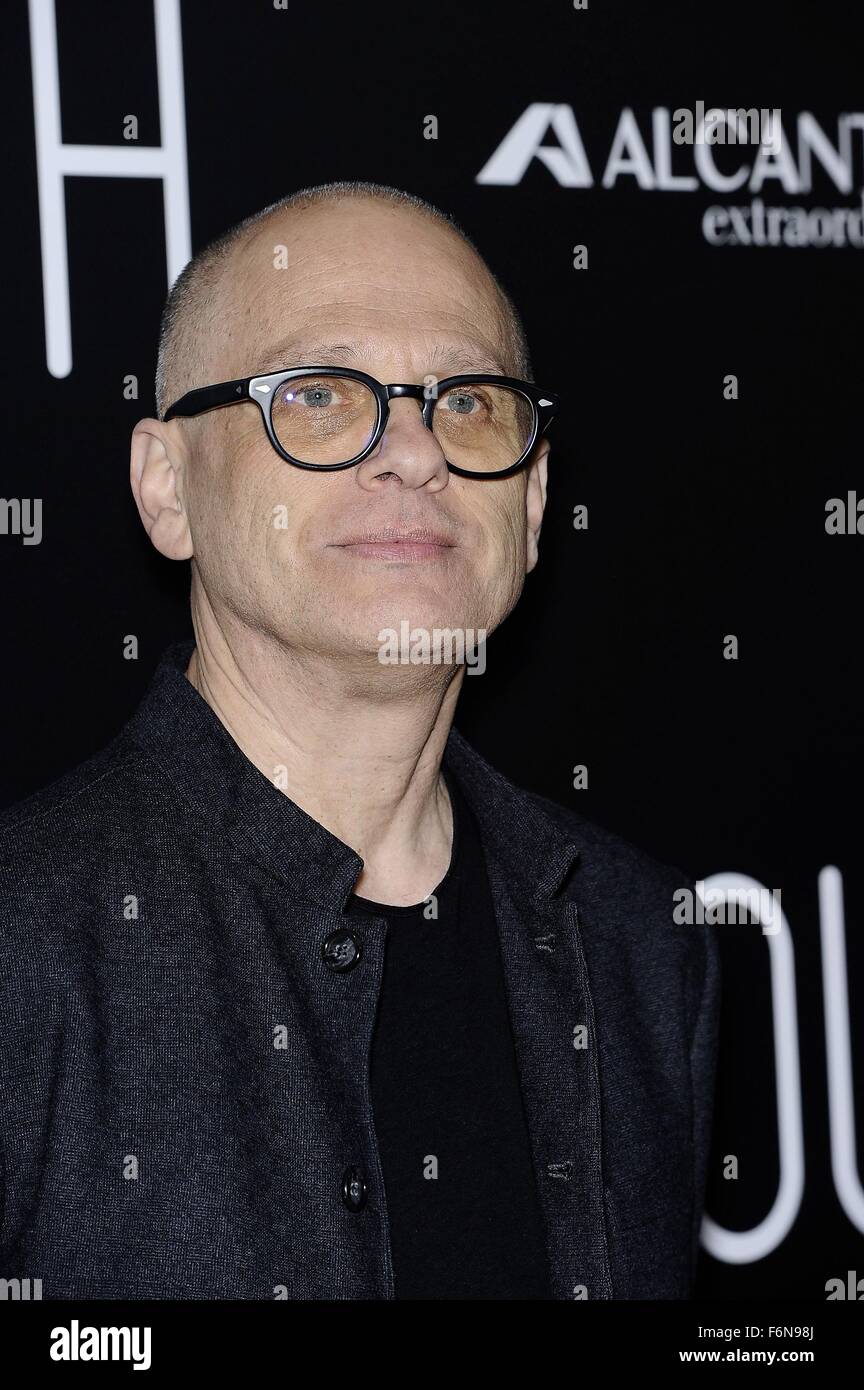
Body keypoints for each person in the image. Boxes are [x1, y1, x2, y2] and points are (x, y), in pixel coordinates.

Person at [0, 181, 719, 1300]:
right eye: (325, 394)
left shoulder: (638, 942)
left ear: (531, 508)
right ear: (167, 486)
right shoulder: (24, 942)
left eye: (469, 401)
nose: (416, 452)